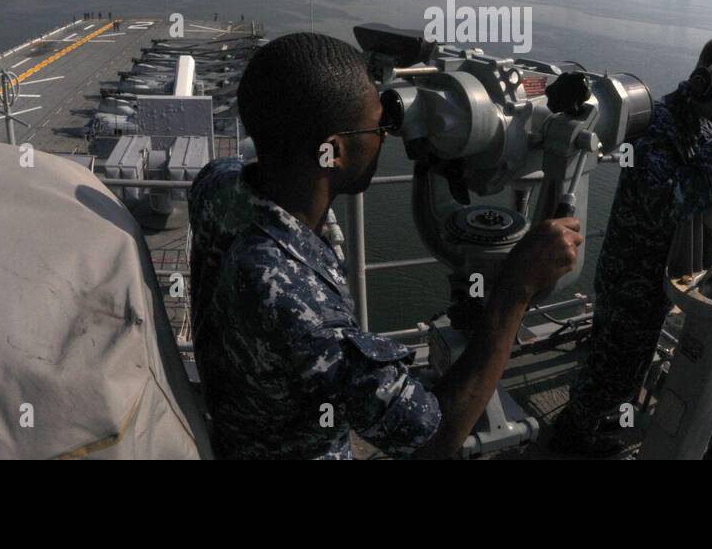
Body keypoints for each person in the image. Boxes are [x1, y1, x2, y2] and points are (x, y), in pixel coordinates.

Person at [189, 31, 581, 459]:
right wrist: (516, 290)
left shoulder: (218, 183)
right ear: (332, 152)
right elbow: (433, 438)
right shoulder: (298, 305)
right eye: (379, 126)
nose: (387, 135)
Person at [550, 35, 712, 456]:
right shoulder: (659, 125)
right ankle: (571, 435)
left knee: (628, 363)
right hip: (632, 272)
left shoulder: (700, 121)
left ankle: (592, 419)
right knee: (611, 364)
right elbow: (667, 204)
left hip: (654, 274)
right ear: (702, 82)